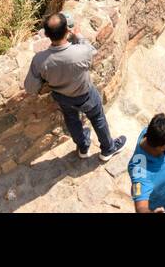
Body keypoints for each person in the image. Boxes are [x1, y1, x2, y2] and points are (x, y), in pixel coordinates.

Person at [24, 12, 127, 162]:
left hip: (63, 98)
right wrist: (78, 35)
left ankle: (83, 147)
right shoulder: (81, 52)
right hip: (86, 94)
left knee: (72, 121)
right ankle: (107, 149)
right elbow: (92, 51)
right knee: (98, 118)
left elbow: (30, 88)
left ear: (46, 34)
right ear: (67, 31)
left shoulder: (39, 60)